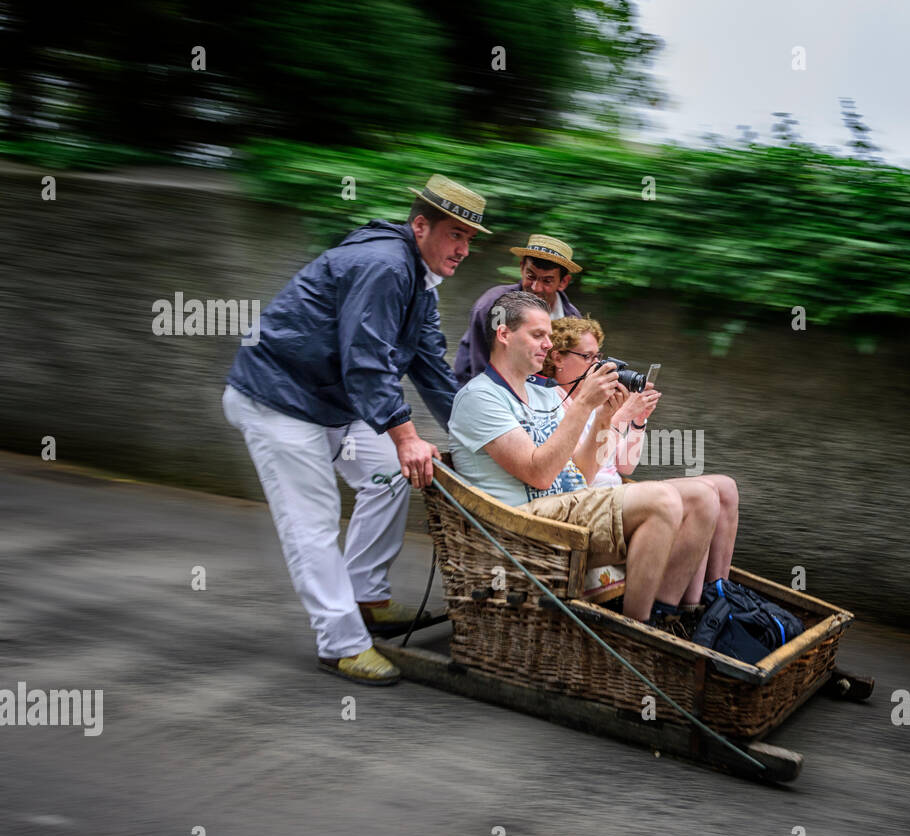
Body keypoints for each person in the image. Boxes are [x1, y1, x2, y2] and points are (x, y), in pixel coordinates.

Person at [223, 174, 490, 686]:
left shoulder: (418, 280)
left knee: (390, 470)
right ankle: (341, 643)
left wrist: (487, 434)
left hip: (330, 402)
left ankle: (365, 596)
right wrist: (406, 434)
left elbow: (429, 367)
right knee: (312, 521)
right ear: (420, 226)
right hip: (278, 399)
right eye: (455, 235)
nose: (464, 250)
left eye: (470, 239)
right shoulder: (384, 266)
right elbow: (366, 363)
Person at [447, 292, 720, 626]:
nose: (548, 345)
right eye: (538, 335)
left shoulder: (542, 392)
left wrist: (605, 418)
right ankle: (636, 632)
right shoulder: (480, 398)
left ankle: (667, 618)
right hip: (519, 525)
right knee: (662, 499)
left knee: (703, 496)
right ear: (504, 335)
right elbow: (540, 475)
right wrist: (582, 406)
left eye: (549, 336)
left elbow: (580, 472)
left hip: (565, 507)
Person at [544, 316, 740, 611]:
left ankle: (716, 597)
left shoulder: (596, 399)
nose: (598, 366)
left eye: (599, 357)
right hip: (592, 502)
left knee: (725, 487)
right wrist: (619, 416)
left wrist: (637, 420)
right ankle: (676, 612)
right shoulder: (552, 404)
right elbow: (579, 475)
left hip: (616, 489)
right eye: (588, 357)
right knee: (704, 497)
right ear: (558, 359)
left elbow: (625, 466)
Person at [453, 234, 582, 389]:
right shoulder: (493, 308)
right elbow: (482, 369)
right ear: (521, 268)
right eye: (530, 276)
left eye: (547, 281)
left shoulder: (573, 321)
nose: (535, 288)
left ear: (563, 282)